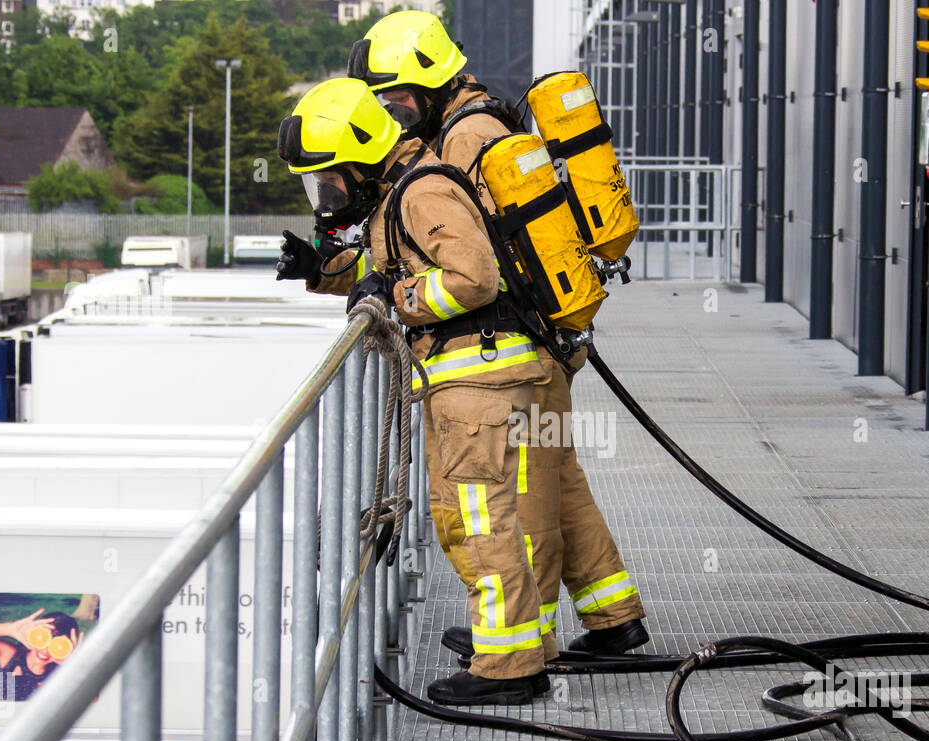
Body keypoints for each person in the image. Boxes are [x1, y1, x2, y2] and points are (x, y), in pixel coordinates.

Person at [342, 9, 650, 662]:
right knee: (558, 479)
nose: (395, 114)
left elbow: (475, 262)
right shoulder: (484, 120)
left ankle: (517, 642)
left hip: (521, 346)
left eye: (397, 99)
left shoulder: (465, 137)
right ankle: (612, 619)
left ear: (429, 85)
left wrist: (393, 291)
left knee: (527, 492)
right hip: (548, 338)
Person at [276, 77, 553, 705]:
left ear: (355, 161)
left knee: (479, 521)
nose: (324, 197)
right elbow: (399, 264)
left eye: (327, 180)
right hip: (470, 379)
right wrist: (332, 273)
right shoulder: (402, 188)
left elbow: (474, 279)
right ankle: (514, 646)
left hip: (476, 380)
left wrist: (396, 299)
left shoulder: (422, 191)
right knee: (476, 519)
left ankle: (510, 668)